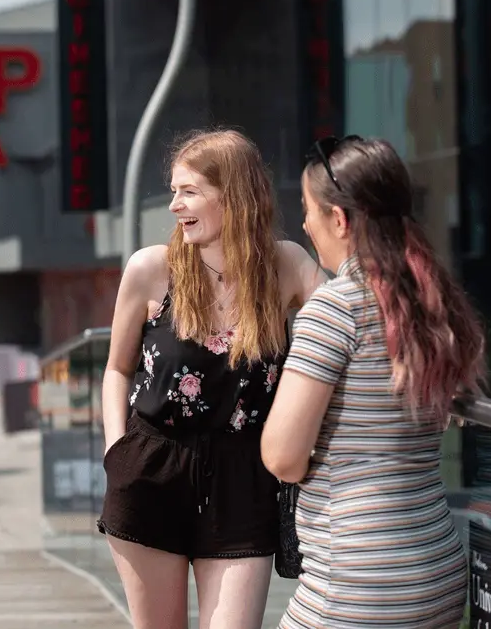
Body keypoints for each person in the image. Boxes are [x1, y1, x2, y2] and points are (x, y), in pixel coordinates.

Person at [99, 129, 327, 628]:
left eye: (189, 191)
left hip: (245, 479)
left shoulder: (286, 264)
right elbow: (117, 369)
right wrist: (115, 453)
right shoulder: (150, 269)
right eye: (174, 191)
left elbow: (345, 321)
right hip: (151, 473)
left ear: (235, 195)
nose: (174, 205)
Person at [263, 136, 485, 628]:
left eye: (308, 211)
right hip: (438, 570)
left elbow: (281, 456)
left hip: (357, 582)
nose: (305, 225)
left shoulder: (334, 308)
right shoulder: (431, 303)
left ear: (339, 220)